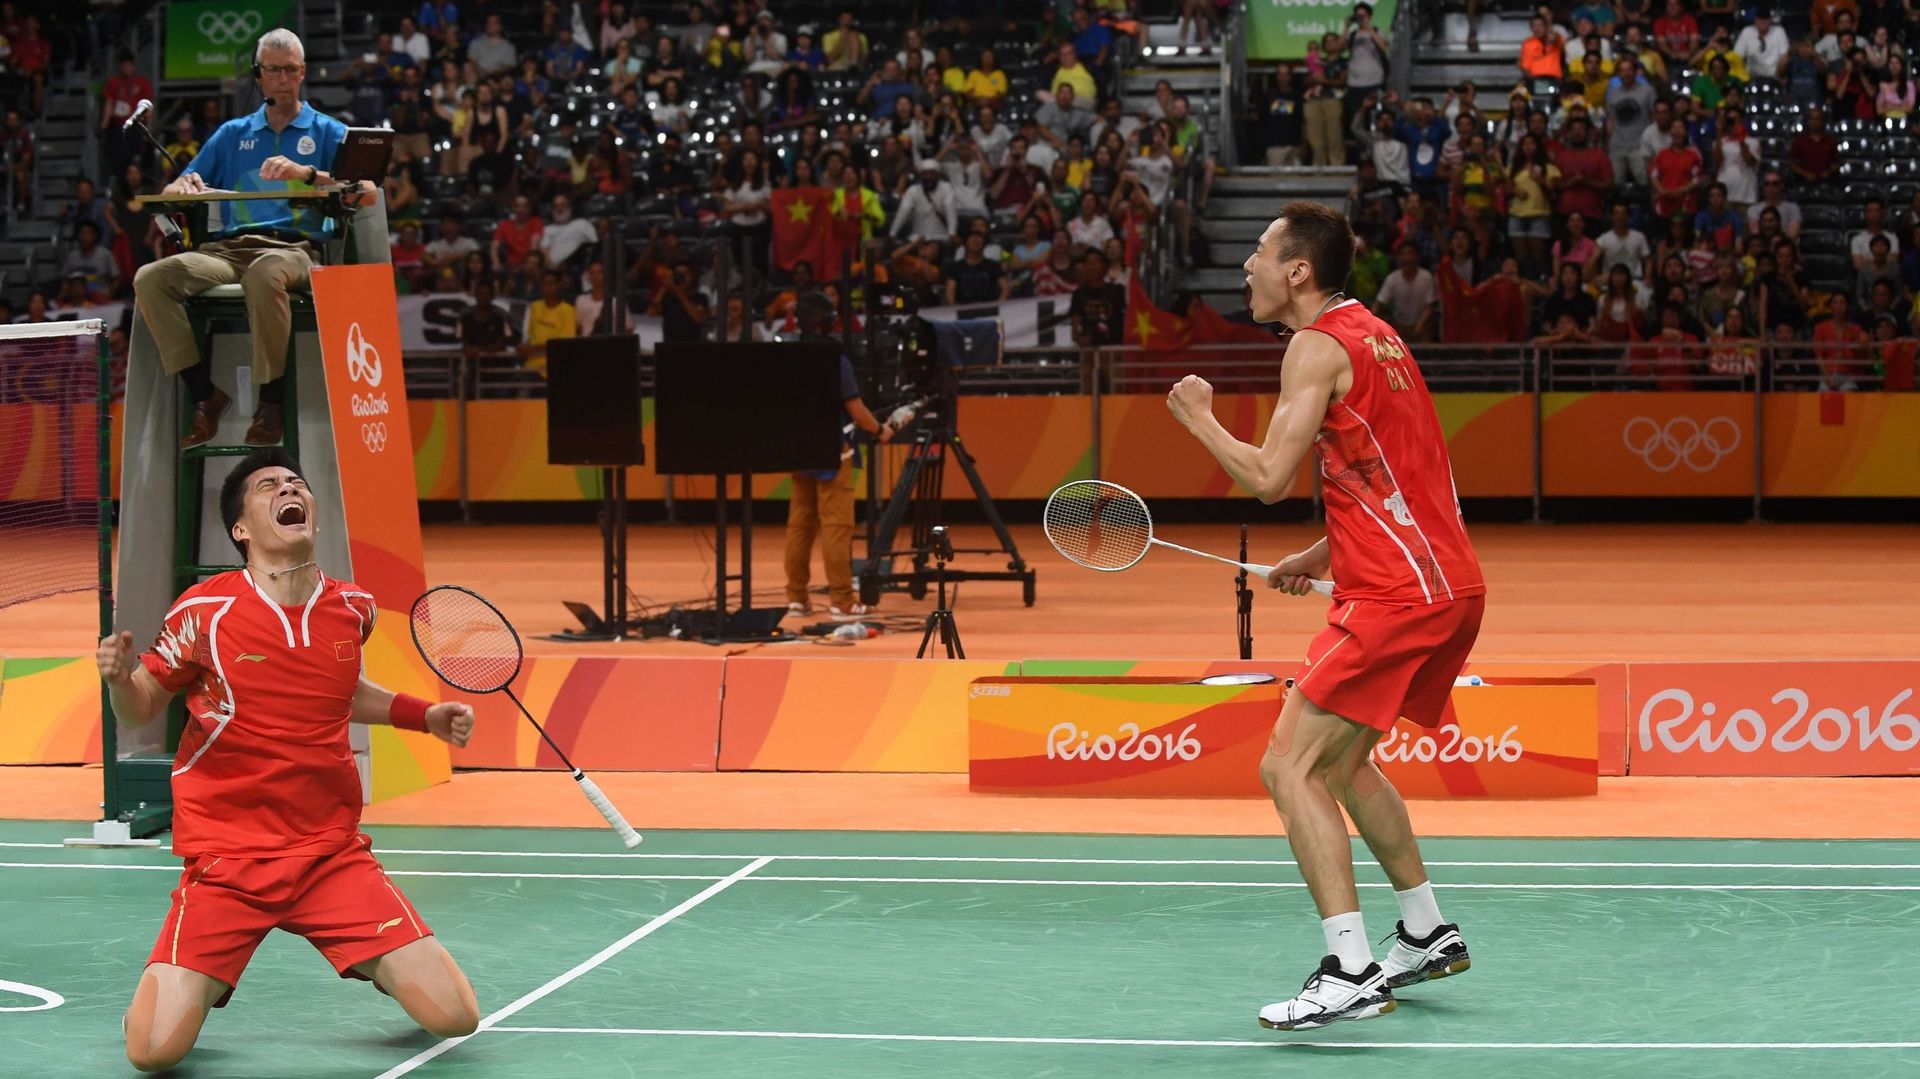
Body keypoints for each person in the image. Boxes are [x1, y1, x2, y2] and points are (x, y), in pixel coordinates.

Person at [1164, 200, 1483, 1031]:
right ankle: (1425, 930)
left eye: (1260, 252)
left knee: (1288, 766)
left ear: (1298, 271)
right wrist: (1323, 552)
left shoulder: (1313, 346)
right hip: (1447, 585)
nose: (1248, 266)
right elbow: (1399, 474)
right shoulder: (1381, 336)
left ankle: (1350, 969)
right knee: (1341, 764)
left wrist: (1198, 418)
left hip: (1395, 596)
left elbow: (1269, 477)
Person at [97, 449, 480, 1072]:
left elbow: (337, 687)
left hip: (328, 855)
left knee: (455, 1016)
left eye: (296, 483)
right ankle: (172, 993)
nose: (288, 489)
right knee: (152, 1053)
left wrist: (423, 715)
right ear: (241, 529)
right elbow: (140, 707)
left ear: (313, 515)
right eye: (269, 486)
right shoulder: (203, 611)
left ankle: (374, 958)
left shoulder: (353, 607)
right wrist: (119, 680)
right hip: (230, 859)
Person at [131, 30, 374, 450]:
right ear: (258, 75)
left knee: (264, 274)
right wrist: (183, 185)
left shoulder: (326, 130)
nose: (283, 79)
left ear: (303, 72)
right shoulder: (232, 134)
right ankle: (205, 395)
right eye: (274, 70)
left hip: (294, 250)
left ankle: (270, 402)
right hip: (227, 250)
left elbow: (367, 191)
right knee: (150, 279)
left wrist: (307, 173)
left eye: (291, 70)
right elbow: (173, 189)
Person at [784, 291, 891, 621]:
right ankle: (842, 602)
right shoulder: (835, 359)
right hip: (834, 452)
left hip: (798, 448)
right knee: (836, 526)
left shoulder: (788, 355)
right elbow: (856, 410)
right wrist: (880, 430)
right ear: (829, 321)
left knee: (800, 524)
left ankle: (797, 599)